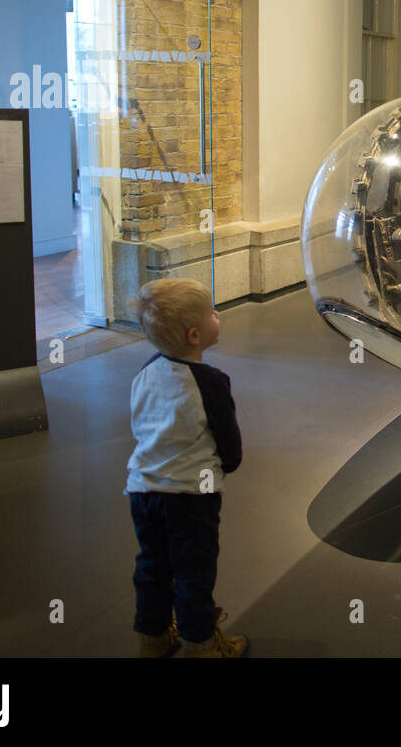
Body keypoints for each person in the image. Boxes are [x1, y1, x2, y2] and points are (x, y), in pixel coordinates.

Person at [126, 277, 248, 657]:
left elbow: (139, 423)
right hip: (192, 497)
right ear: (196, 336)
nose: (217, 314)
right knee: (194, 573)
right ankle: (201, 646)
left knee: (153, 566)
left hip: (143, 491)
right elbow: (229, 443)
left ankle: (153, 638)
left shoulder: (145, 370)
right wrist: (227, 465)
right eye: (212, 311)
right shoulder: (211, 382)